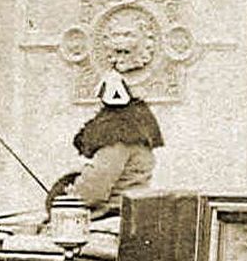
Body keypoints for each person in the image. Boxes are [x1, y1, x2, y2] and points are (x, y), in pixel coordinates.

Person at [46, 70, 164, 220]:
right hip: (133, 211)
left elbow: (96, 186)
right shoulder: (137, 132)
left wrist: (68, 196)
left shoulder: (117, 136)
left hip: (114, 214)